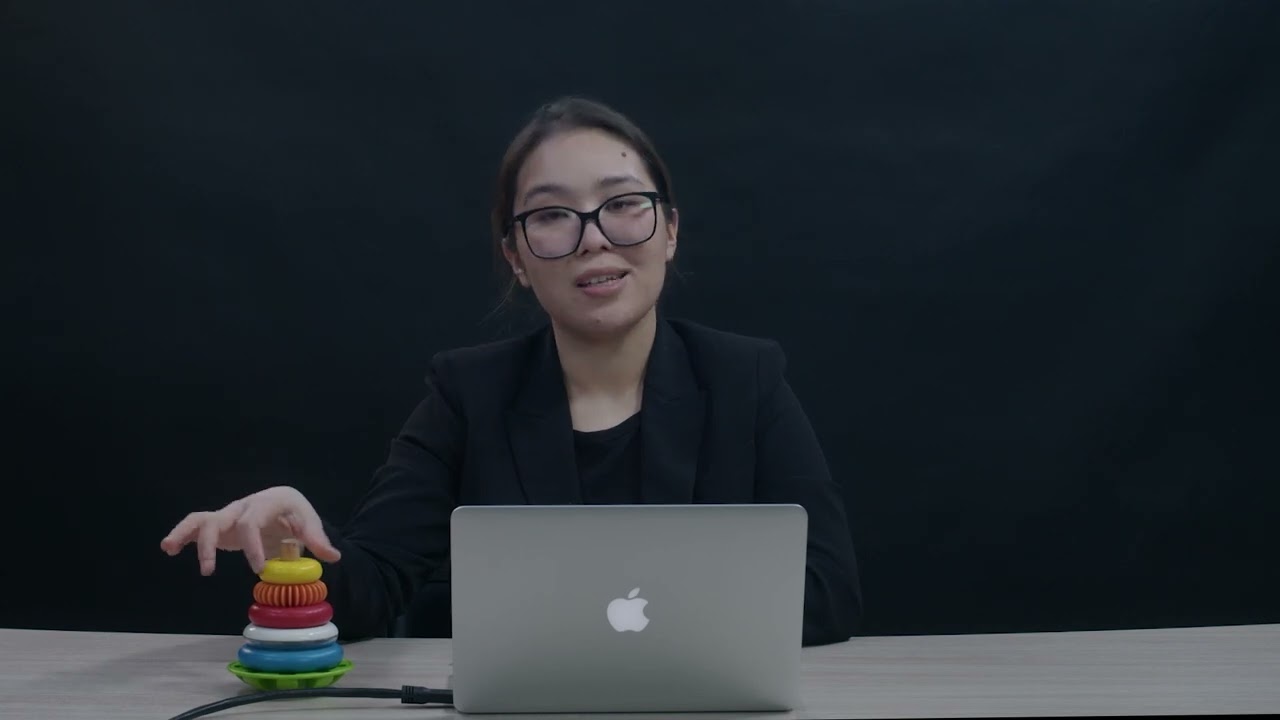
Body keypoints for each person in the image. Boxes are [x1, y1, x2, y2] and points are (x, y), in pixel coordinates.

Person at [159, 97, 863, 647]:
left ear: (669, 229)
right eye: (553, 215)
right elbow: (371, 589)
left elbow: (829, 594)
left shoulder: (746, 379)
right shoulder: (468, 395)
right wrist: (294, 545)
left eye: (623, 204)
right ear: (517, 258)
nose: (593, 238)